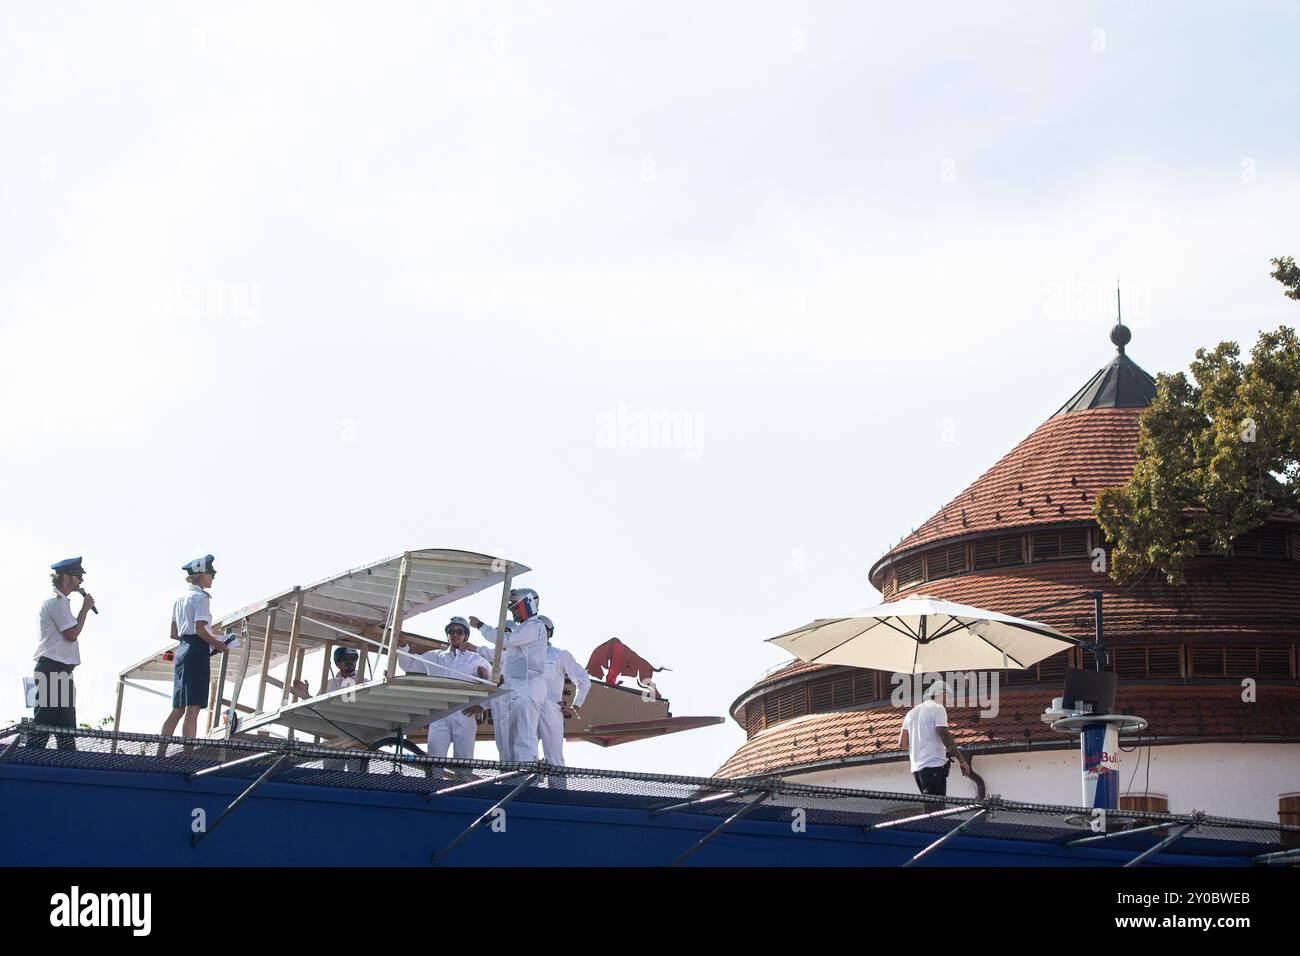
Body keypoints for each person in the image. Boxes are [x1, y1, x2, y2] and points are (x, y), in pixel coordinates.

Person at [469, 587, 547, 763]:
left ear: (527, 605)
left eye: (515, 608)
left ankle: (527, 781)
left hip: (528, 688)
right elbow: (507, 658)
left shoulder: (535, 627)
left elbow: (505, 640)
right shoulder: (525, 629)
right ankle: (512, 780)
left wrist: (481, 626)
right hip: (517, 689)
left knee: (524, 739)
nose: (513, 613)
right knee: (510, 742)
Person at [396, 616, 491, 760]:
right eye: (451, 631)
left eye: (459, 632)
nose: (455, 634)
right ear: (447, 635)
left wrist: (483, 706)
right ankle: (435, 784)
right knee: (434, 762)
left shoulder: (477, 660)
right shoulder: (435, 656)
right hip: (439, 716)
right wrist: (403, 646)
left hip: (465, 716)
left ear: (466, 635)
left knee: (463, 763)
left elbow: (496, 684)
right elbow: (408, 664)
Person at [161, 555, 231, 742]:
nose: (213, 577)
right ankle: (188, 754)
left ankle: (161, 751)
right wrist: (217, 643)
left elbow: (174, 633)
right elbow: (200, 629)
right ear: (202, 575)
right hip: (197, 652)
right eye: (210, 573)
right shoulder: (202, 598)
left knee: (178, 709)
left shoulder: (180, 599)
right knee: (193, 708)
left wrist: (201, 637)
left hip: (183, 649)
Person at [28, 557, 96, 750]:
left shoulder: (62, 603)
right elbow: (71, 634)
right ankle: (30, 764)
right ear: (65, 578)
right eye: (77, 576)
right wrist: (85, 610)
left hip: (62, 670)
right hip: (51, 667)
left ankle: (67, 767)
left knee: (66, 725)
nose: (80, 581)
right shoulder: (55, 603)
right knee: (45, 722)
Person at [536, 615, 590, 786]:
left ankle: (557, 794)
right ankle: (525, 795)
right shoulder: (520, 654)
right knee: (524, 754)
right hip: (526, 707)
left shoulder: (559, 655)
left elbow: (583, 680)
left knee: (554, 757)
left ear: (549, 633)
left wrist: (576, 705)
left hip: (551, 709)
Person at [898, 679, 971, 797]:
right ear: (942, 693)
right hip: (933, 767)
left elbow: (902, 743)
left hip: (917, 770)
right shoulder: (938, 708)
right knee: (936, 809)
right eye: (948, 697)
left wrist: (922, 749)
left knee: (929, 807)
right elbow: (943, 733)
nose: (947, 701)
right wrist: (962, 760)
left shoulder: (911, 713)